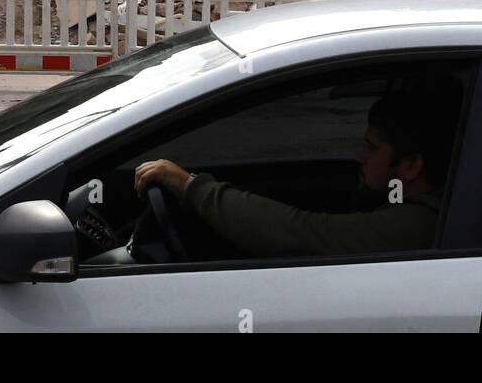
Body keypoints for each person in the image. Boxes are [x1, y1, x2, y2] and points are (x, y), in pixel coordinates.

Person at [133, 78, 460, 258]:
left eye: (372, 148)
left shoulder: (419, 224)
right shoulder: (415, 208)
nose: (359, 155)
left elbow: (301, 232)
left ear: (411, 165)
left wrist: (190, 186)